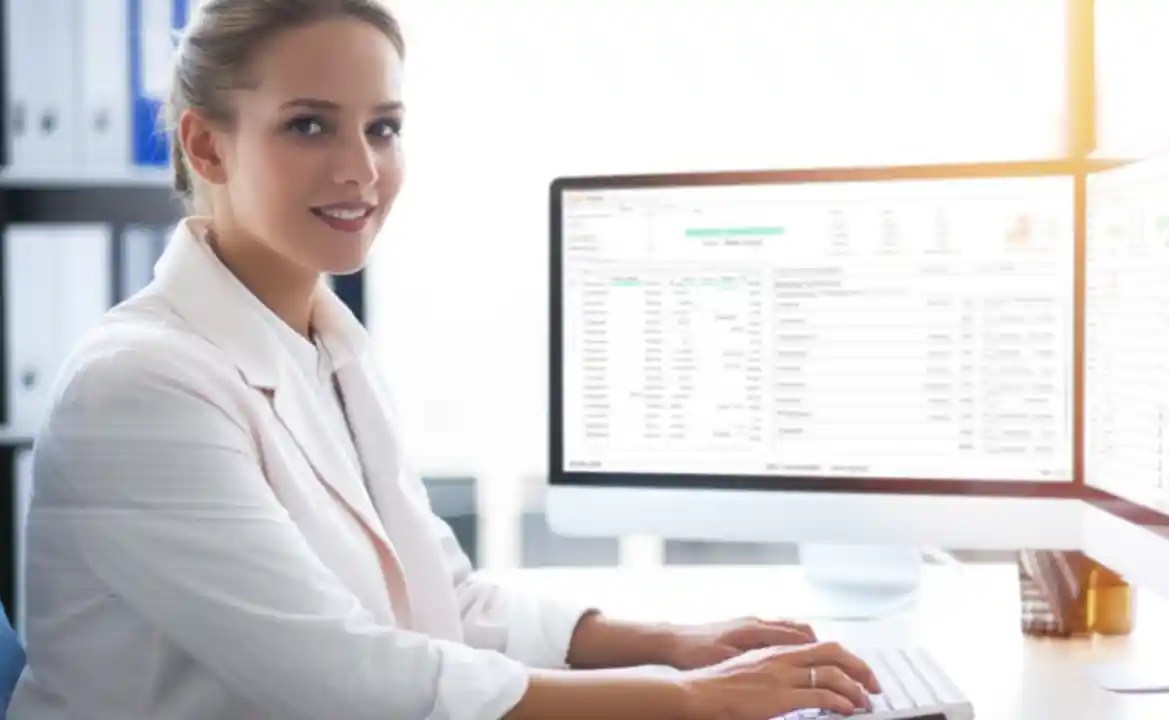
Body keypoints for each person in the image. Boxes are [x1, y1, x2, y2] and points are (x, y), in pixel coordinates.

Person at [7, 2, 878, 718]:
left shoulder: (327, 346)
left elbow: (443, 607)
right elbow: (338, 676)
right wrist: (688, 700)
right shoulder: (139, 387)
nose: (360, 170)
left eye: (383, 129)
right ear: (206, 147)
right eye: (309, 126)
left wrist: (668, 642)